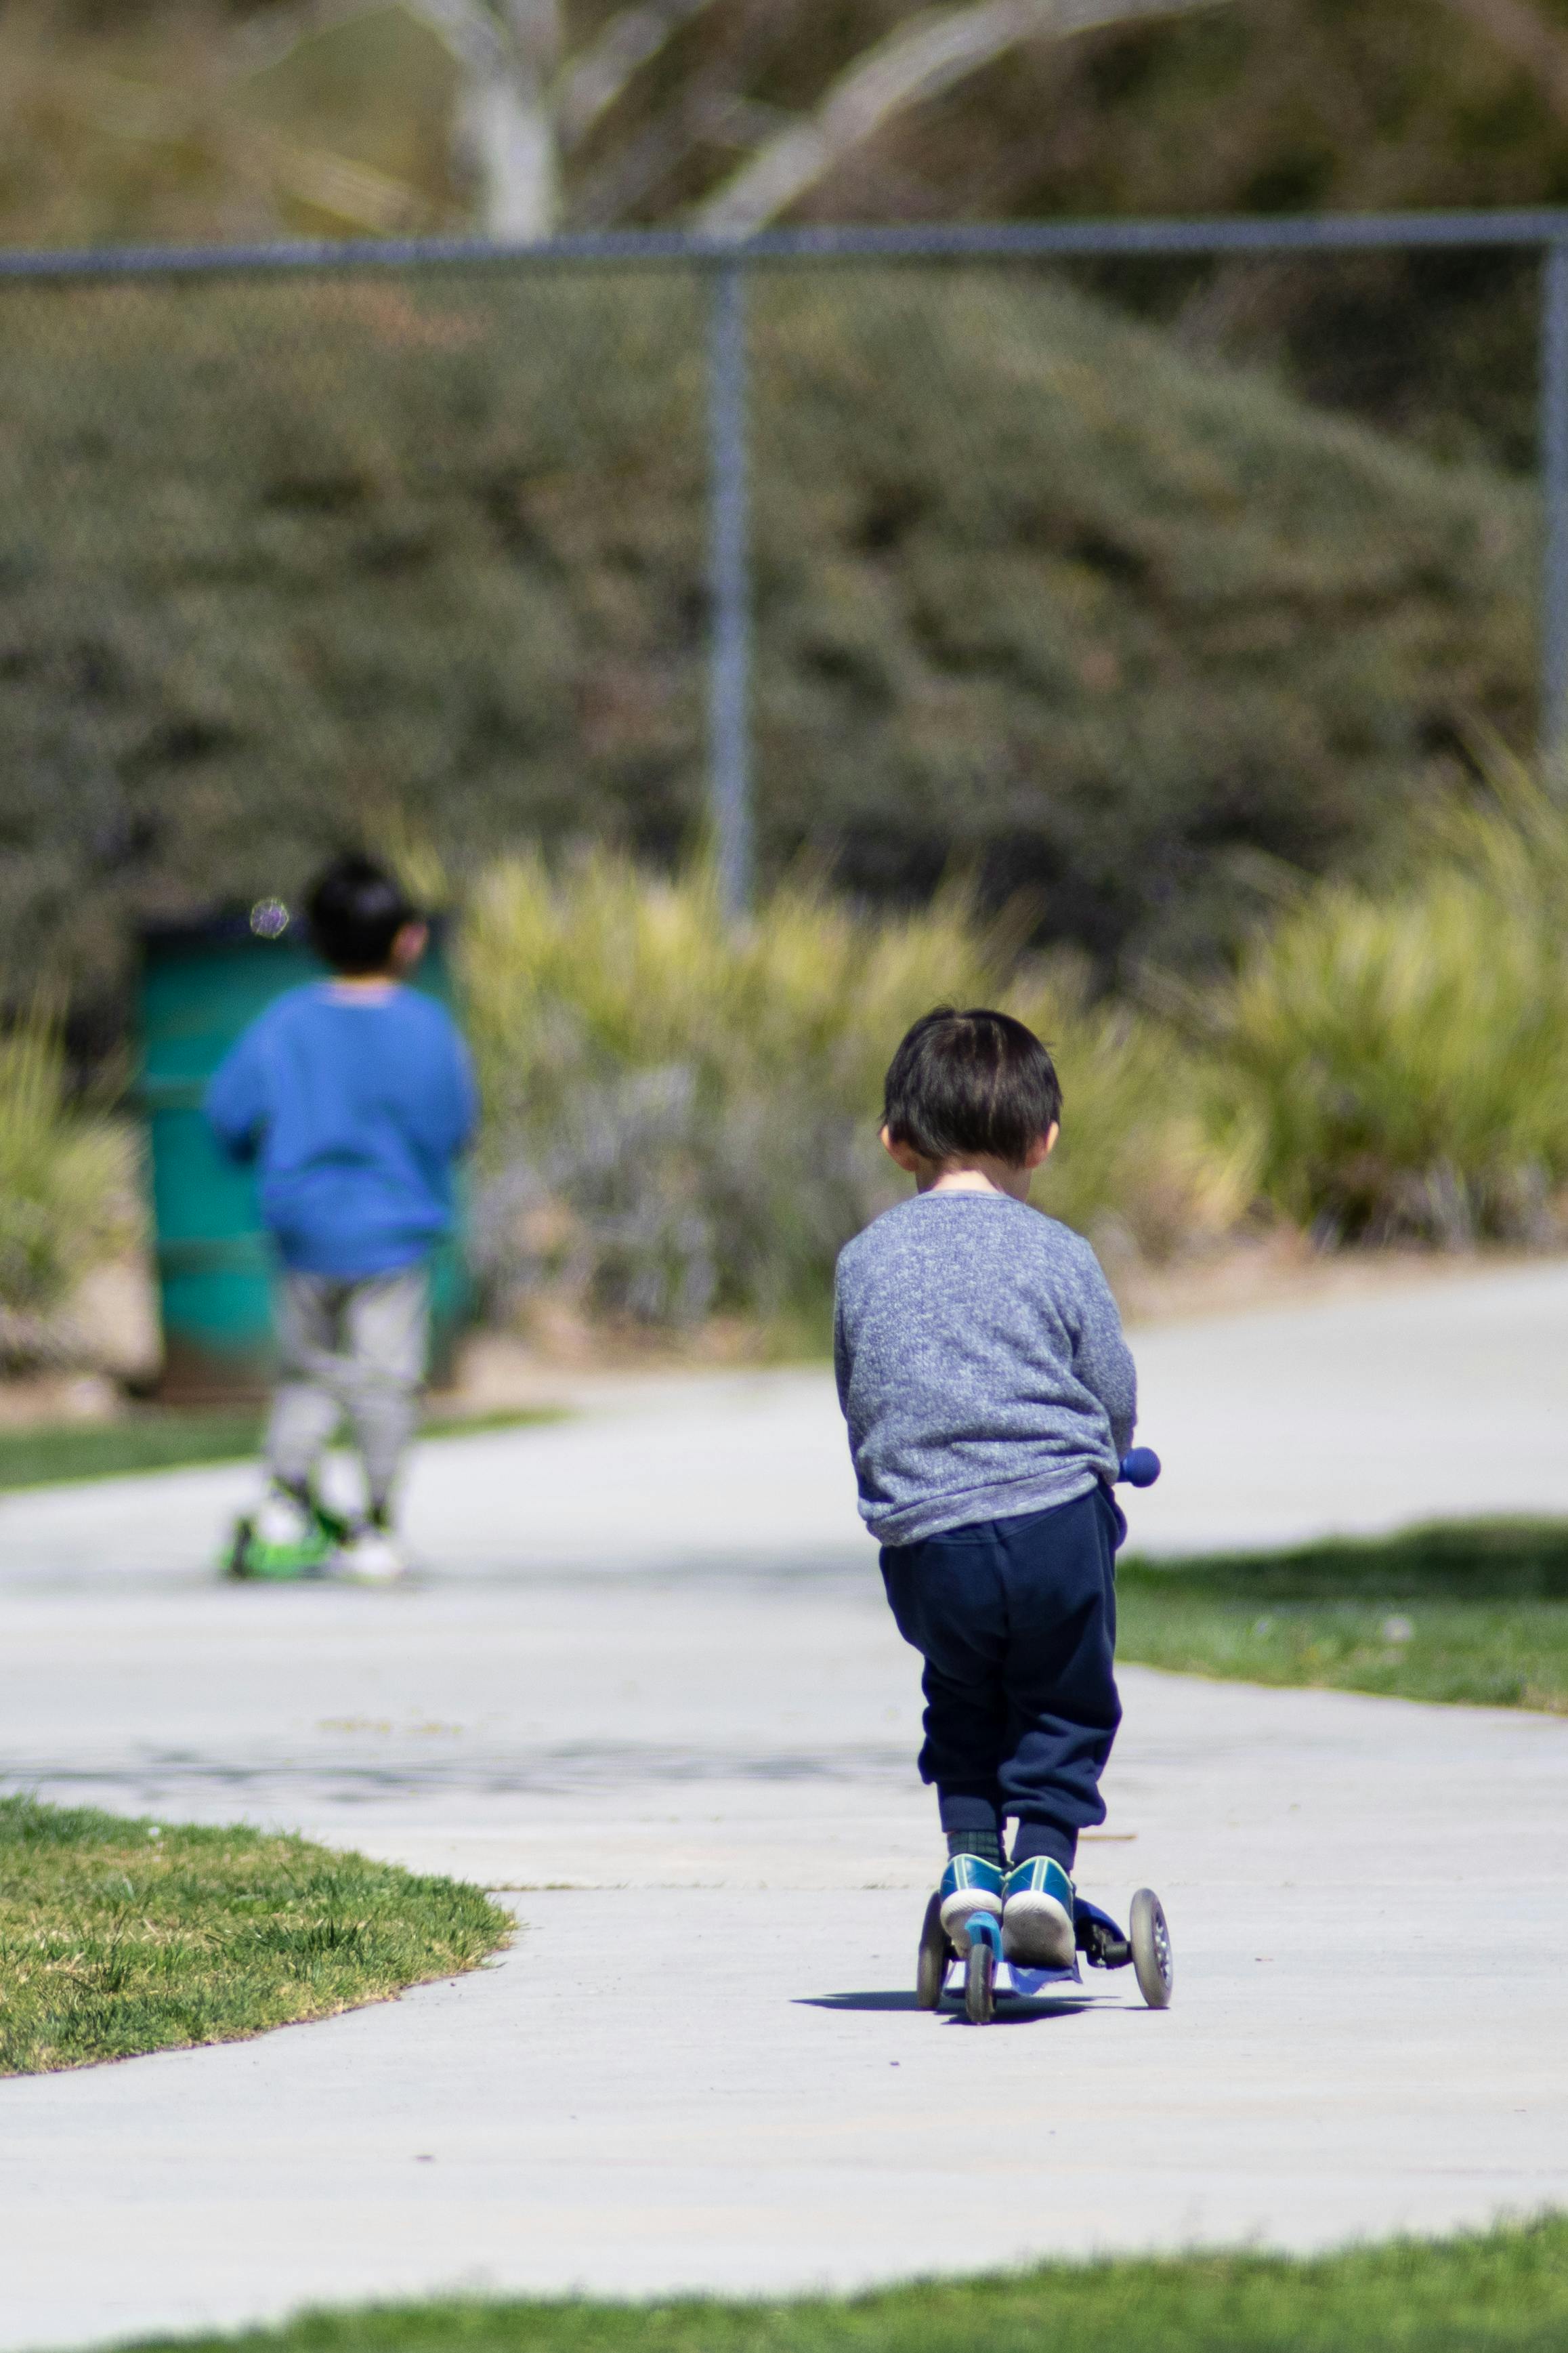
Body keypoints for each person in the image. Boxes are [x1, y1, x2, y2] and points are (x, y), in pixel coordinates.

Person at [833, 1005, 1137, 1969]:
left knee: (960, 1696)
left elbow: (860, 1389)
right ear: (1042, 1142)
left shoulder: (862, 1259)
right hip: (1053, 1520)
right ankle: (1043, 1869)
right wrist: (1110, 1451)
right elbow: (1110, 1391)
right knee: (1063, 1700)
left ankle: (970, 1866)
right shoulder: (1060, 1255)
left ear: (894, 1142)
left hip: (929, 1540)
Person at [206, 855, 478, 1583]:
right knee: (384, 1378)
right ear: (407, 940)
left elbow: (228, 1114)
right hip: (392, 1232)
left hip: (304, 1229)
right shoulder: (427, 1028)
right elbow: (454, 1124)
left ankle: (284, 1496)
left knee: (308, 1372)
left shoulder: (285, 1023)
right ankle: (376, 1522)